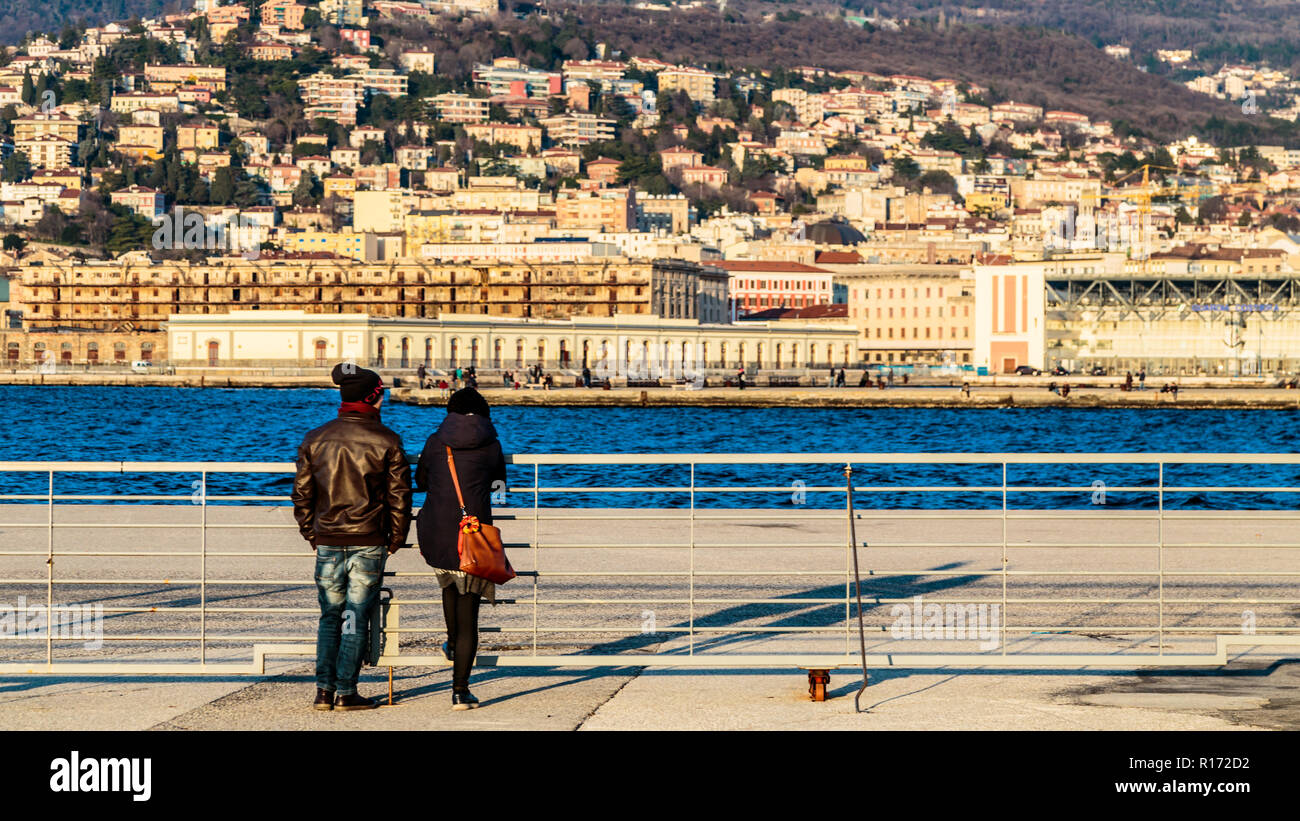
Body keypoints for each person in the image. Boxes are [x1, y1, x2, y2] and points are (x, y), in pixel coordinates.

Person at [292, 363, 411, 712]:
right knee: (356, 616)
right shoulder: (387, 440)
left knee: (330, 615)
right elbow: (399, 496)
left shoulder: (316, 438)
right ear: (373, 398)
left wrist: (311, 532)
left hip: (328, 537)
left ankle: (323, 691)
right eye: (381, 393)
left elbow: (302, 494)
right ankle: (346, 691)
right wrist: (396, 537)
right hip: (368, 538)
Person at [415, 388, 507, 711]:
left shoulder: (434, 441)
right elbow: (500, 489)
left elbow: (421, 482)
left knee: (449, 584)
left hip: (438, 535)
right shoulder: (492, 445)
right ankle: (460, 690)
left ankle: (452, 644)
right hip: (472, 538)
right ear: (484, 414)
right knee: (469, 613)